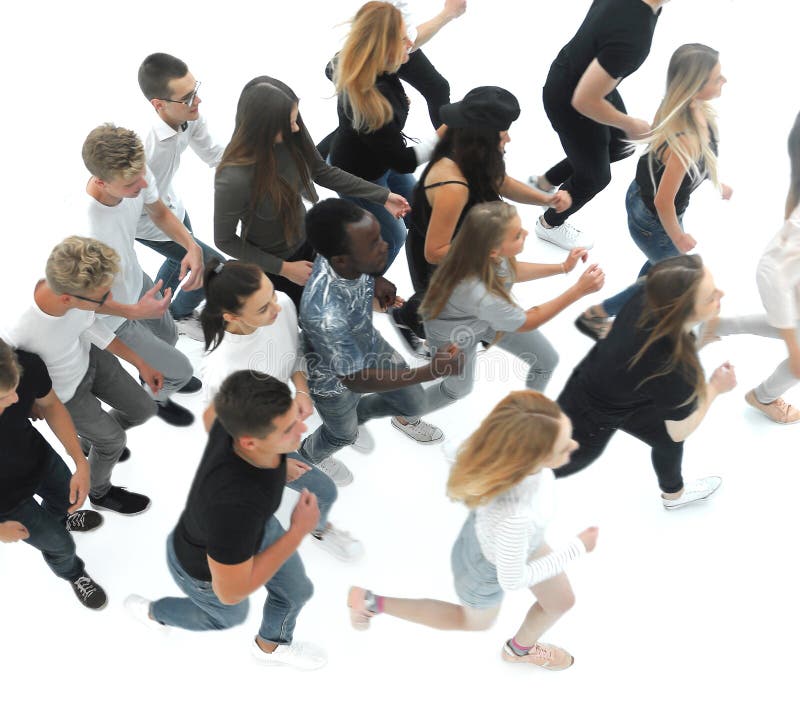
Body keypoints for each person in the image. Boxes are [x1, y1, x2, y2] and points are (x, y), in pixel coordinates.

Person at [347, 390, 598, 671]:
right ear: (530, 459)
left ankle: (519, 649)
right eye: (563, 447)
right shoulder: (517, 516)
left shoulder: (489, 448)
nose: (574, 445)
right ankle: (372, 602)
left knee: (561, 602)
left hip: (508, 541)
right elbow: (513, 580)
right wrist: (577, 548)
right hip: (484, 570)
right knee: (470, 622)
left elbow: (452, 450)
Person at [125, 372, 327, 671]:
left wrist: (279, 466)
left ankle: (270, 647)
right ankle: (156, 613)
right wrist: (297, 532)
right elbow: (229, 592)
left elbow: (213, 413)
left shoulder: (231, 420)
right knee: (228, 614)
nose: (303, 428)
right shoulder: (234, 509)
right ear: (248, 442)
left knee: (297, 592)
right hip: (203, 570)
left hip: (256, 529)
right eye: (287, 430)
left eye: (293, 416)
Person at [198, 258, 363, 559]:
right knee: (325, 491)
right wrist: (276, 466)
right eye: (262, 308)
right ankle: (318, 529)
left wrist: (300, 389)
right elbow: (223, 437)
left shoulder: (283, 305)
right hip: (254, 445)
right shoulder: (222, 371)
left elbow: (293, 350)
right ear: (231, 317)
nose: (276, 307)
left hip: (276, 419)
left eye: (272, 293)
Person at [391, 85, 572, 354]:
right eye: (503, 132)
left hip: (470, 239)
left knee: (476, 301)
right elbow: (434, 252)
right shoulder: (453, 185)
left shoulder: (475, 149)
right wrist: (485, 249)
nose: (508, 139)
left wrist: (544, 199)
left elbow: (501, 181)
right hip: (443, 256)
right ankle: (405, 320)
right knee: (437, 307)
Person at [555, 255, 736, 509]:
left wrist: (696, 341)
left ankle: (674, 494)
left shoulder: (646, 292)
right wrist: (716, 386)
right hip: (588, 418)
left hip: (623, 387)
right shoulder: (675, 370)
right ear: (683, 311)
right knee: (543, 468)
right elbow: (681, 429)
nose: (722, 293)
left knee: (665, 440)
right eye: (711, 297)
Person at [576, 44, 731, 340]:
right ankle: (596, 315)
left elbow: (704, 158)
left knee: (658, 270)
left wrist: (716, 181)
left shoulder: (696, 110)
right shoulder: (684, 137)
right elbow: (663, 201)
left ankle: (638, 312)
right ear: (695, 87)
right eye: (717, 78)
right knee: (676, 276)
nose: (724, 81)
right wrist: (678, 236)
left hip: (656, 209)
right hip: (653, 219)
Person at [214, 76, 408, 308]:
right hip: (277, 266)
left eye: (296, 119)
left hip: (310, 241)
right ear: (262, 127)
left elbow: (322, 171)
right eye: (290, 122)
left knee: (362, 300)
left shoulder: (293, 135)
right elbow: (224, 240)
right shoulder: (233, 177)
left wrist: (382, 196)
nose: (296, 128)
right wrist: (285, 269)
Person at [3, 237, 162, 515]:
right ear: (68, 298)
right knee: (114, 441)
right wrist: (31, 403)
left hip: (93, 361)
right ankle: (100, 492)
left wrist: (140, 363)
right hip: (66, 395)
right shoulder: (19, 335)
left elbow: (92, 327)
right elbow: (13, 379)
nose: (109, 300)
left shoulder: (73, 295)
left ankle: (94, 441)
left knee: (144, 408)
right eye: (102, 297)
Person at [298, 199, 463, 468]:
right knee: (342, 434)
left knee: (416, 403)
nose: (385, 245)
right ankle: (306, 457)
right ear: (341, 259)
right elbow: (356, 381)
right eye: (373, 243)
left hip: (370, 344)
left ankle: (359, 414)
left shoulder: (345, 260)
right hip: (335, 384)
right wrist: (431, 371)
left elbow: (356, 276)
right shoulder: (324, 312)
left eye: (378, 236)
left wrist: (374, 280)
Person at [80, 123, 202, 426]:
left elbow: (159, 212)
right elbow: (81, 303)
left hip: (137, 284)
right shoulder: (84, 235)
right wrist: (133, 310)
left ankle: (156, 381)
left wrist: (191, 244)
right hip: (113, 317)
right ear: (101, 181)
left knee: (170, 335)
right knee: (181, 370)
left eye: (141, 176)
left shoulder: (137, 176)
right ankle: (129, 415)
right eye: (131, 185)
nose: (142, 186)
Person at [421, 202, 603, 399]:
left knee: (546, 360)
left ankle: (527, 416)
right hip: (454, 334)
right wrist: (578, 290)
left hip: (484, 318)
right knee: (457, 389)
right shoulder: (477, 292)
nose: (526, 233)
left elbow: (509, 271)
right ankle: (406, 417)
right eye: (517, 235)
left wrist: (563, 267)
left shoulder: (490, 255)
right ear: (493, 250)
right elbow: (528, 321)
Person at [532, 0, 670, 250]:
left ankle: (544, 183)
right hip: (572, 100)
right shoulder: (633, 33)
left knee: (621, 145)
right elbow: (584, 100)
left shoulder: (645, 11)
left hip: (585, 79)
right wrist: (630, 123)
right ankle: (549, 224)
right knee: (596, 177)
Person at [701, 111, 800, 424]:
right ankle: (764, 397)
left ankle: (716, 327)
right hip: (781, 278)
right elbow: (773, 275)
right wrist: (792, 346)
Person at [328, 1, 444, 266]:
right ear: (384, 47)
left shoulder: (366, 64)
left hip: (380, 159)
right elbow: (402, 161)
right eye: (404, 38)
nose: (410, 41)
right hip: (360, 176)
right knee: (392, 238)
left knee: (419, 207)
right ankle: (368, 284)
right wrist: (445, 136)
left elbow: (331, 67)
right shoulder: (372, 102)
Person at [0, 339, 107, 610]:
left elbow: (50, 405)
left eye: (15, 388)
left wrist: (80, 463)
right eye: (3, 398)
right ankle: (72, 573)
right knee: (61, 545)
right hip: (6, 504)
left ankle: (64, 519)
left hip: (39, 459)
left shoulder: (24, 364)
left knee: (65, 501)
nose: (15, 400)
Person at [136, 52, 227, 341]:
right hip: (148, 221)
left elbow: (215, 155)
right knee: (212, 264)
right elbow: (138, 207)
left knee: (179, 260)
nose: (197, 101)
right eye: (188, 97)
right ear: (159, 105)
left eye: (195, 90)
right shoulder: (145, 150)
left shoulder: (190, 116)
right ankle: (180, 315)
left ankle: (162, 313)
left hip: (173, 204)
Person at [316, 0, 466, 157]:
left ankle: (451, 151)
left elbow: (405, 42)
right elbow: (409, 42)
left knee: (436, 88)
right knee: (370, 116)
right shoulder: (392, 36)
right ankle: (308, 164)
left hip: (381, 45)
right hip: (371, 51)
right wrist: (448, 14)